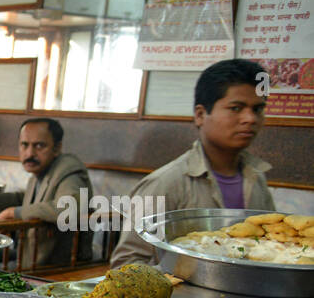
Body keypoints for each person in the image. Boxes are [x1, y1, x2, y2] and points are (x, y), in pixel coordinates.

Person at [109, 58, 273, 268]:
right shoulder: (166, 183)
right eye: (236, 108)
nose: (250, 118)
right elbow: (125, 266)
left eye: (258, 109)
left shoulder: (256, 177)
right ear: (200, 115)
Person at [0, 118, 95, 265]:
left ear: (57, 148)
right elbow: (28, 199)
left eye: (39, 146)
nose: (30, 153)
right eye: (24, 145)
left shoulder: (69, 170)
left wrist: (13, 213)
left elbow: (68, 208)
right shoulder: (41, 170)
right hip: (30, 259)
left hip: (59, 268)